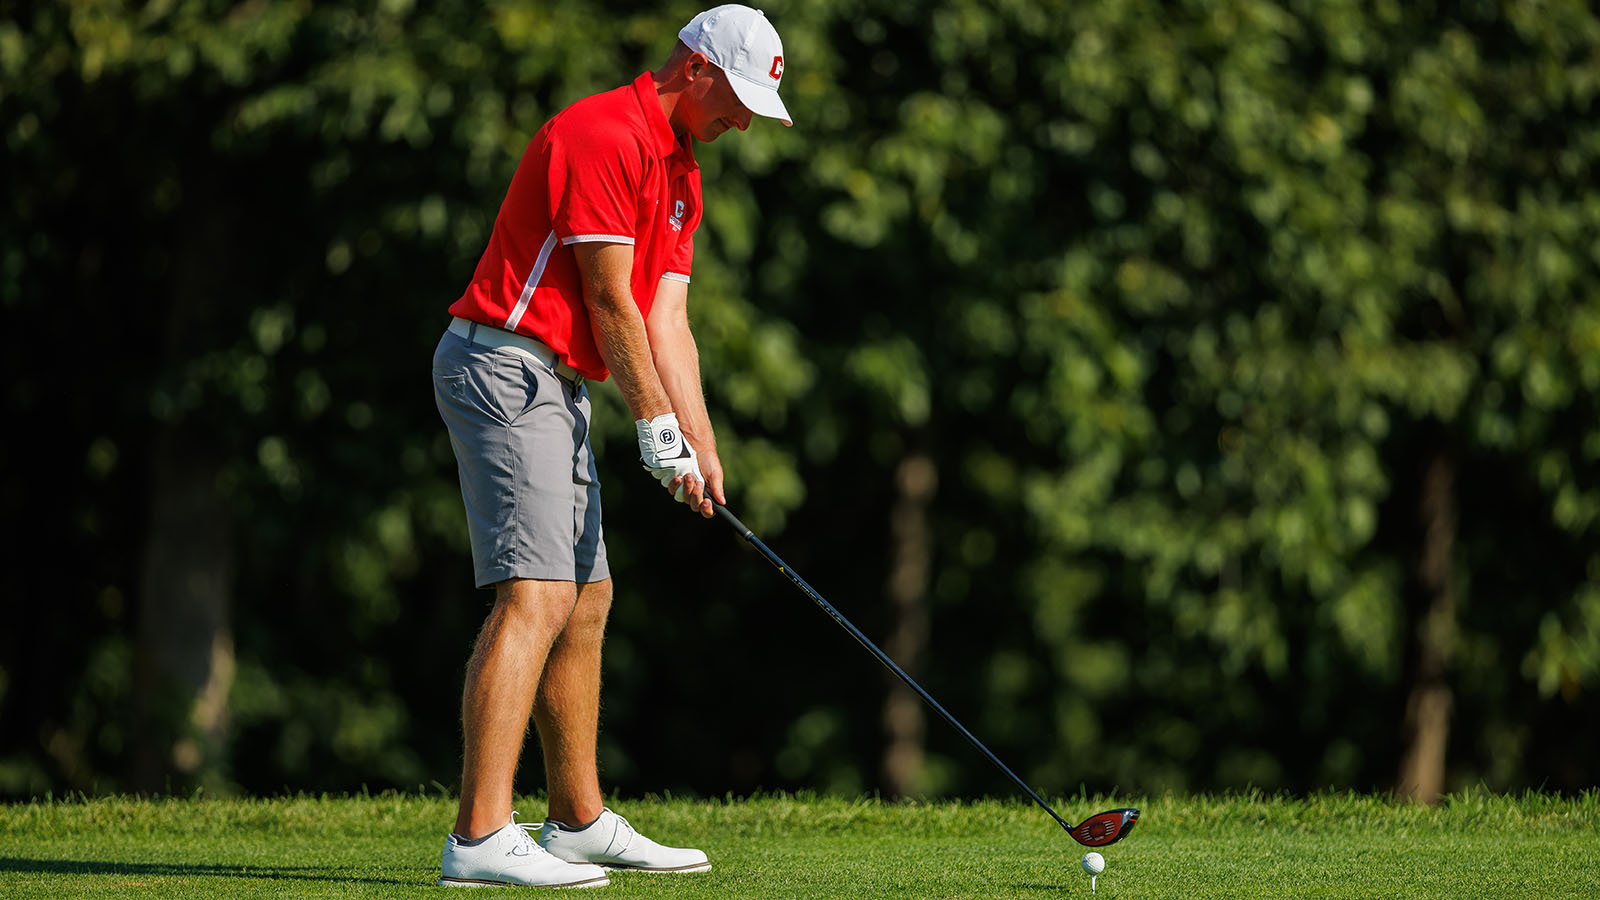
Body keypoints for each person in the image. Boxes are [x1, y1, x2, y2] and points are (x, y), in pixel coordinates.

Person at [428, 4, 792, 890]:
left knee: (587, 598)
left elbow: (667, 319)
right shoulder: (604, 133)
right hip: (503, 364)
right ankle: (479, 837)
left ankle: (577, 823)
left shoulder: (681, 172)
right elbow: (607, 299)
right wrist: (654, 427)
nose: (742, 123)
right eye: (737, 100)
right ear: (696, 67)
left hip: (556, 384)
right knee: (538, 594)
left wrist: (699, 442)